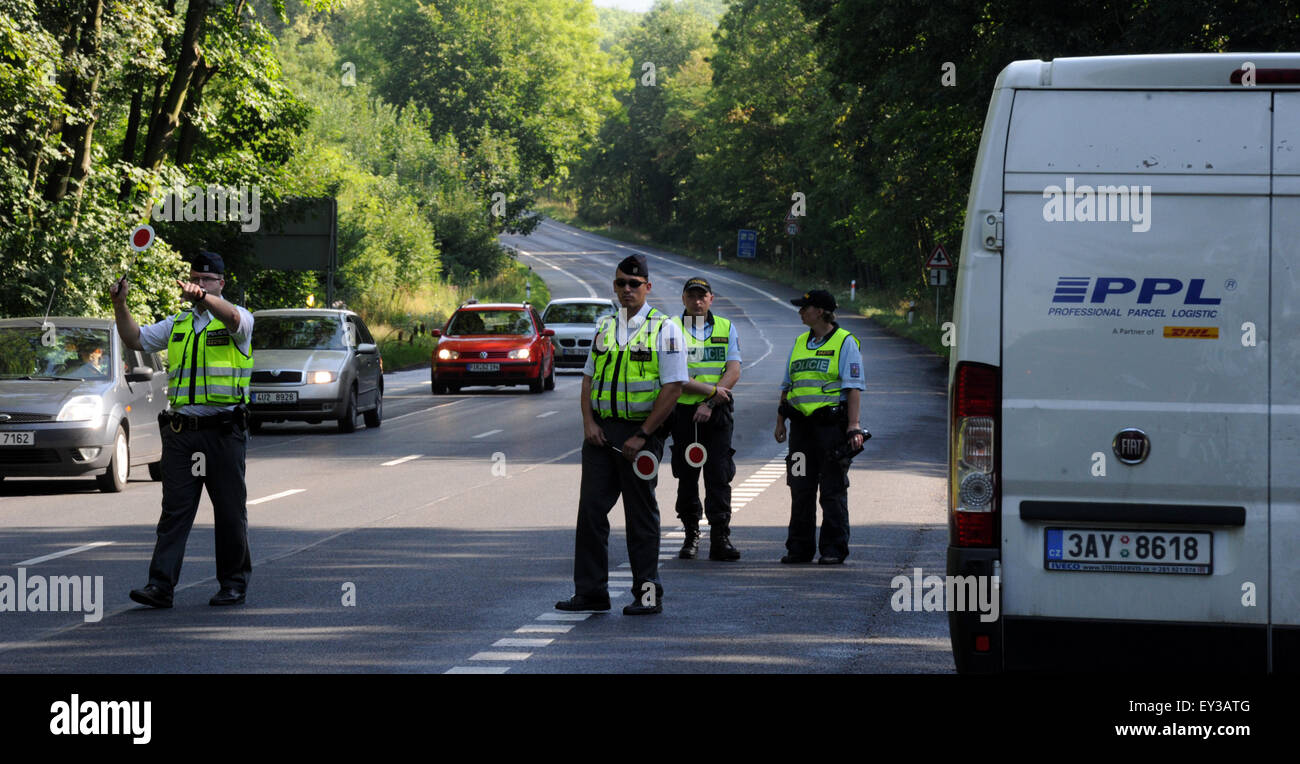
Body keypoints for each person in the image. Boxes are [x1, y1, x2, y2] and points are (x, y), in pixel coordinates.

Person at [110, 250, 255, 607]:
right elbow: (134, 339)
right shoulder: (177, 324)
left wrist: (205, 298)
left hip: (223, 431)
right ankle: (160, 586)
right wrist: (120, 304)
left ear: (221, 283)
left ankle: (233, 583)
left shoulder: (238, 319)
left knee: (229, 510)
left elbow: (235, 317)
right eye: (195, 278)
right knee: (175, 510)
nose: (198, 284)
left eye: (207, 280)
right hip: (182, 433)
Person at [557, 254, 686, 615]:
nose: (626, 290)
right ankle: (591, 592)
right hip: (601, 432)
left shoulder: (666, 329)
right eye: (620, 284)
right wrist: (588, 423)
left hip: (642, 433)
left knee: (640, 515)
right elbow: (588, 379)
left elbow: (673, 387)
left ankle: (647, 594)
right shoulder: (605, 326)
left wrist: (643, 434)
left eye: (634, 284)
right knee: (591, 514)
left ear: (647, 287)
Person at [774, 290, 866, 565]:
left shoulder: (845, 342)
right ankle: (799, 549)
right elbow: (787, 386)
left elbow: (853, 388)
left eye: (806, 307)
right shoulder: (800, 341)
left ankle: (833, 549)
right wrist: (780, 422)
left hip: (830, 430)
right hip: (801, 430)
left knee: (831, 489)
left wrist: (853, 426)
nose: (801, 311)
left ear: (822, 311)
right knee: (800, 488)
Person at [669, 276, 742, 561]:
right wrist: (711, 392)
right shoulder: (671, 329)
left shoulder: (726, 327)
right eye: (692, 296)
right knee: (687, 476)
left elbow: (733, 370)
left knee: (719, 475)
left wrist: (710, 401)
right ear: (684, 299)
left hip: (717, 412)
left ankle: (720, 538)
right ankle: (690, 536)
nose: (697, 301)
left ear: (711, 299)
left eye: (703, 296)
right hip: (684, 413)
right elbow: (674, 376)